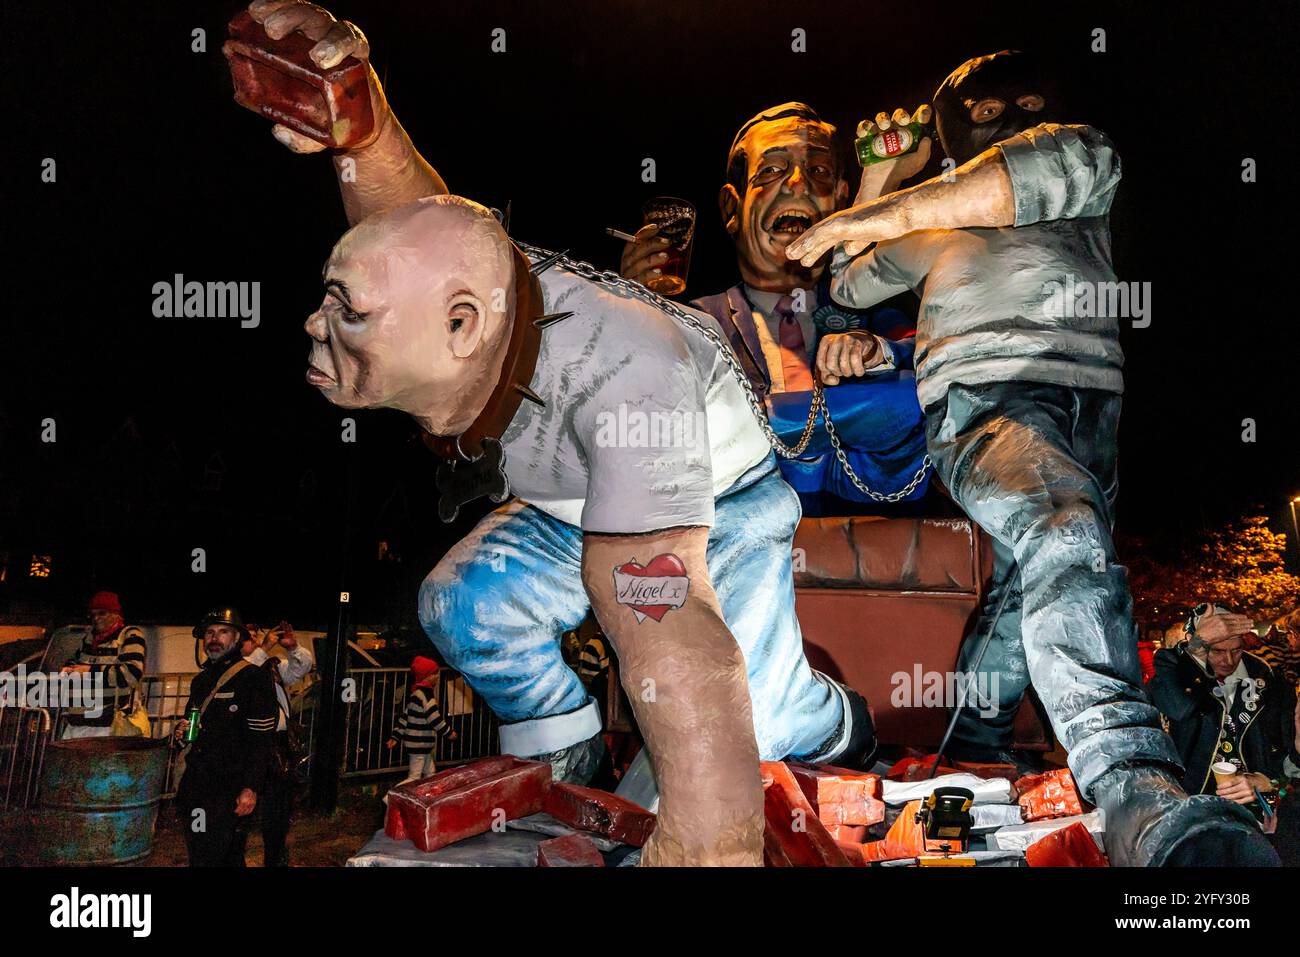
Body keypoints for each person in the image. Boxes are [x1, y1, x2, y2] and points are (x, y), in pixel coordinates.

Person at [235, 1, 876, 866]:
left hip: (714, 504)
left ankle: (838, 723)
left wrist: (703, 844)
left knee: (752, 705)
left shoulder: (626, 384)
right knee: (465, 602)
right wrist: (364, 130)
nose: (317, 324)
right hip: (574, 494)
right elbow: (424, 226)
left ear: (462, 328)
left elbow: (672, 627)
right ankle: (559, 754)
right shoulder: (481, 291)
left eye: (347, 312)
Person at [786, 50, 1277, 865]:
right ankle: (1132, 782)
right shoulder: (928, 223)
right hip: (987, 395)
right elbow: (849, 279)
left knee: (1032, 582)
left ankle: (981, 747)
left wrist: (883, 208)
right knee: (1062, 526)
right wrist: (877, 183)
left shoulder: (1080, 160)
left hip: (1089, 397)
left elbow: (1013, 180)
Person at [623, 102, 929, 513]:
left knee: (919, 394)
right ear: (732, 209)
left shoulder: (866, 309)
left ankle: (754, 426)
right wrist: (630, 309)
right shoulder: (699, 320)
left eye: (818, 171)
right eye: (770, 171)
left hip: (861, 482)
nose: (798, 184)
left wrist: (875, 352)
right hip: (740, 492)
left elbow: (929, 361)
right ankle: (758, 432)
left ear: (841, 202)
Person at [1148, 604, 1299, 838]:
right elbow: (1178, 707)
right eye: (1217, 650)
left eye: (1236, 650)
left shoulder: (1266, 676)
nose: (1229, 660)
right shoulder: (1174, 666)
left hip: (1255, 814)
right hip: (1191, 809)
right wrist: (1197, 648)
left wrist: (1267, 781)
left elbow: (1288, 750)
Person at [174, 606, 278, 867]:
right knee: (216, 854)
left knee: (210, 855)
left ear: (236, 638)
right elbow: (193, 728)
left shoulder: (253, 678)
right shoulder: (201, 680)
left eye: (223, 632)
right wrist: (182, 733)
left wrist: (250, 788)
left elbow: (262, 740)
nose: (214, 638)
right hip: (197, 784)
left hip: (228, 788)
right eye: (209, 632)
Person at [241, 621, 314, 866]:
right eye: (249, 638)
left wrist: (293, 648)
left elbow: (301, 668)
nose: (256, 642)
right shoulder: (237, 669)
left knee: (279, 806)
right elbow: (244, 674)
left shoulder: (269, 667)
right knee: (242, 807)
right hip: (248, 744)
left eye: (255, 637)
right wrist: (264, 647)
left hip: (277, 744)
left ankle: (275, 854)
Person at [59, 591, 147, 739]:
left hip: (108, 723)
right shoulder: (89, 638)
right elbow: (76, 660)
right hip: (79, 720)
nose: (96, 619)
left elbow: (131, 673)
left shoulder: (130, 635)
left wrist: (88, 671)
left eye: (102, 613)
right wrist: (69, 668)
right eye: (92, 615)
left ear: (115, 614)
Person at [387, 655, 457, 785]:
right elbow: (434, 719)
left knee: (430, 774)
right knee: (414, 777)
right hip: (419, 743)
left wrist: (395, 736)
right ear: (428, 676)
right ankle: (390, 799)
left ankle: (427, 799)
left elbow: (405, 718)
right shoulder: (427, 696)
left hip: (418, 744)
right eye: (435, 673)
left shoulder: (416, 694)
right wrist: (449, 733)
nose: (437, 676)